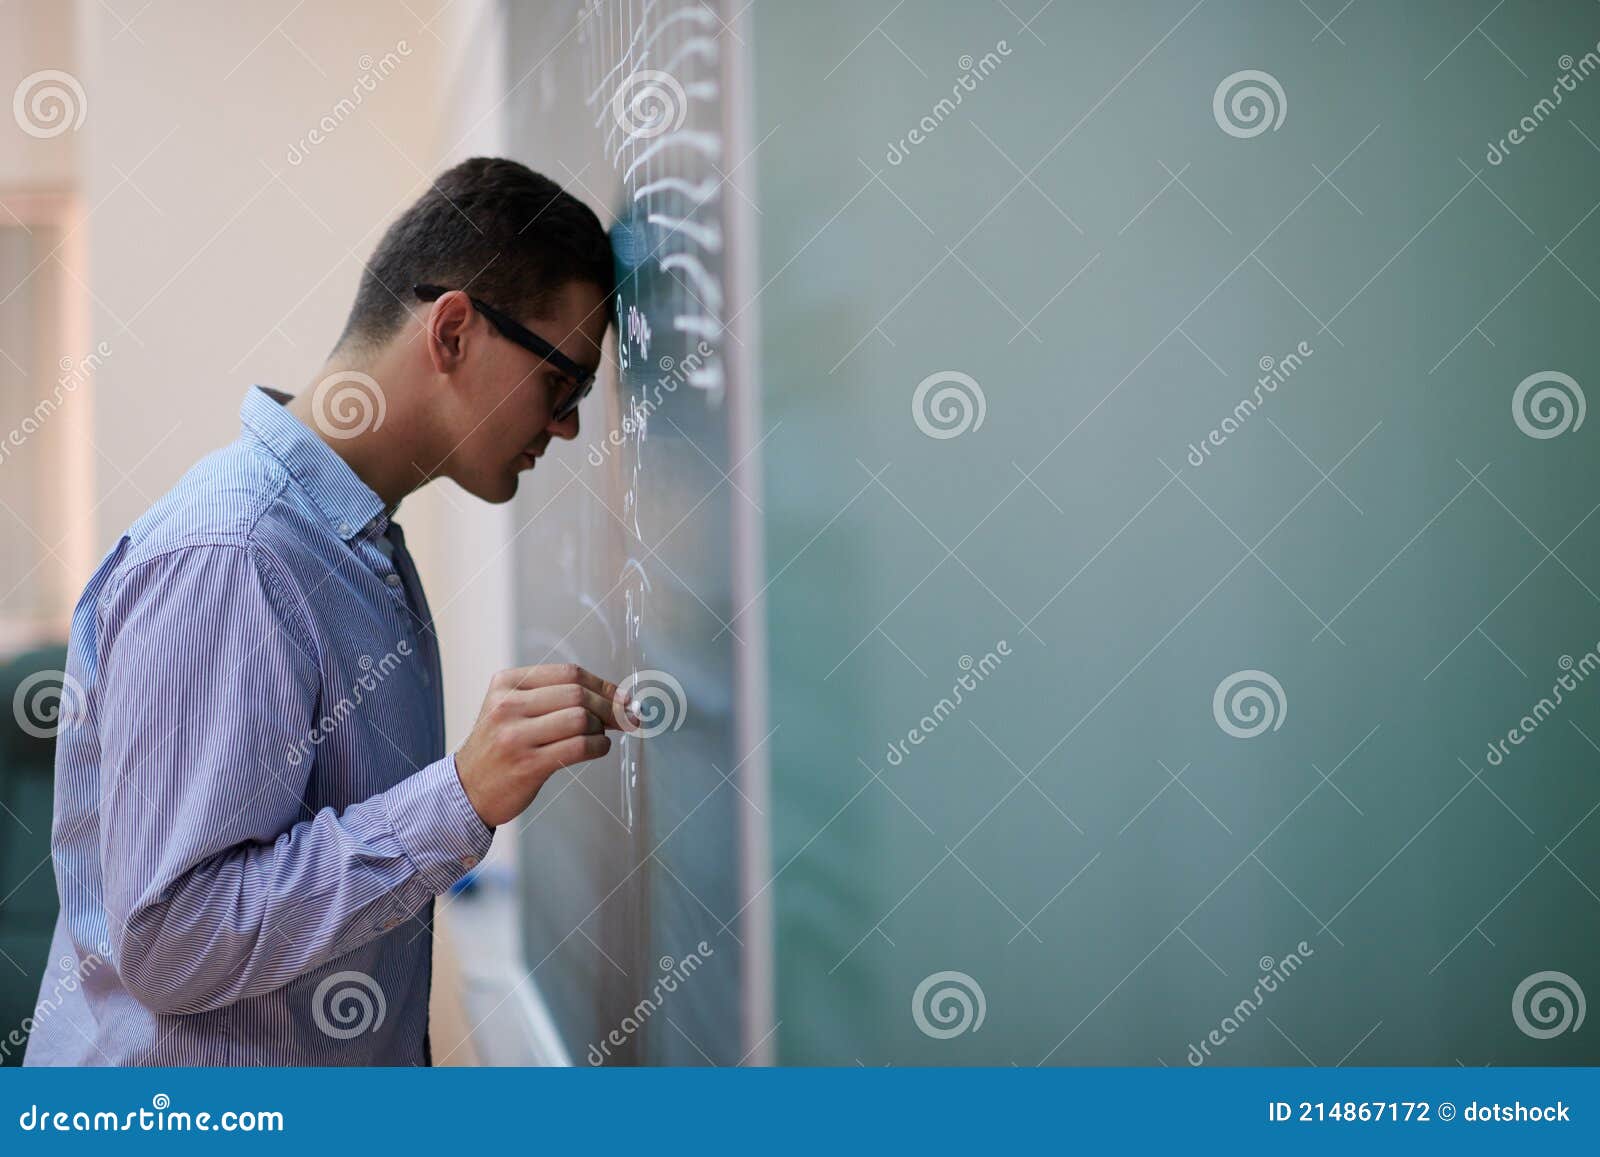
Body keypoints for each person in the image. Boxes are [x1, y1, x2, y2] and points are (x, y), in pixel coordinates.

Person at [24, 157, 630, 1065]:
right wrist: (459, 796)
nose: (569, 425)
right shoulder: (235, 556)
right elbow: (172, 941)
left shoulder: (357, 548)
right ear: (454, 331)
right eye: (563, 384)